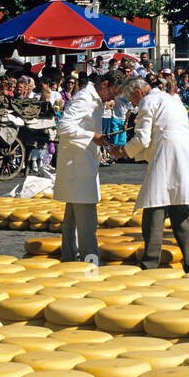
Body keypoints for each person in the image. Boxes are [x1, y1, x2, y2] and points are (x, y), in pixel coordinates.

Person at [117, 76, 189, 272]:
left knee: (155, 207)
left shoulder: (148, 100)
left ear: (138, 92)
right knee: (180, 211)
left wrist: (123, 151)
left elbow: (143, 138)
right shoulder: (172, 99)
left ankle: (150, 264)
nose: (133, 103)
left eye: (132, 99)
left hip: (167, 152)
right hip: (184, 152)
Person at [54, 70, 125, 263]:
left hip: (81, 163)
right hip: (78, 165)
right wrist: (93, 136)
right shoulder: (85, 99)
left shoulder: (94, 100)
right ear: (105, 84)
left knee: (72, 218)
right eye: (112, 93)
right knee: (86, 220)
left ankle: (69, 257)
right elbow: (63, 127)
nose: (113, 98)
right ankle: (90, 260)